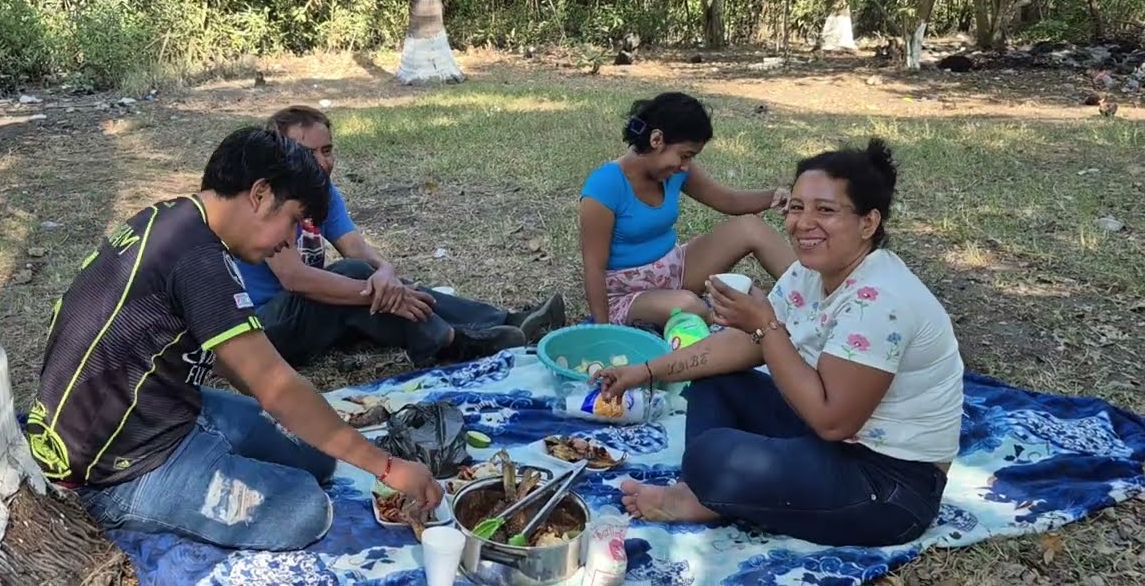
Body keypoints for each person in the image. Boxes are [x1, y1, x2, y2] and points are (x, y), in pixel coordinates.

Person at [23, 126, 444, 551]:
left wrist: (281, 406)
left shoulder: (175, 219)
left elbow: (247, 368)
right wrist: (387, 468)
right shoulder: (198, 260)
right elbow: (276, 387)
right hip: (116, 469)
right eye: (293, 221)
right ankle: (163, 488)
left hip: (165, 409)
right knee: (305, 509)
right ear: (260, 194)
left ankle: (213, 452)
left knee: (318, 455)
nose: (288, 241)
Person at [590, 138, 964, 547]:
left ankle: (709, 490)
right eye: (798, 207)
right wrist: (644, 371)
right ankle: (712, 492)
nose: (804, 223)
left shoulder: (880, 300)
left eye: (825, 210)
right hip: (833, 442)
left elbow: (833, 421)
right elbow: (740, 347)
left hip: (891, 487)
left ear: (868, 223)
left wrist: (766, 326)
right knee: (717, 381)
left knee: (709, 457)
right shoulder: (812, 271)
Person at [236, 104, 565, 369]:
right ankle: (452, 343)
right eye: (309, 153)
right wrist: (375, 289)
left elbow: (356, 247)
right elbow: (295, 278)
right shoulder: (267, 197)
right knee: (357, 277)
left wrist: (387, 274)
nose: (323, 162)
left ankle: (507, 321)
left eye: (327, 150)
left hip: (308, 316)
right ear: (279, 153)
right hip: (262, 333)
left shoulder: (323, 192)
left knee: (378, 279)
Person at [578, 92, 796, 329]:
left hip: (675, 268)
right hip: (626, 296)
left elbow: (728, 200)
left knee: (751, 228)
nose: (686, 166)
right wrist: (602, 331)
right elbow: (594, 268)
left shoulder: (676, 171)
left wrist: (774, 196)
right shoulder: (604, 187)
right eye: (684, 155)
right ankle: (759, 326)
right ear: (656, 139)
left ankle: (816, 296)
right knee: (691, 307)